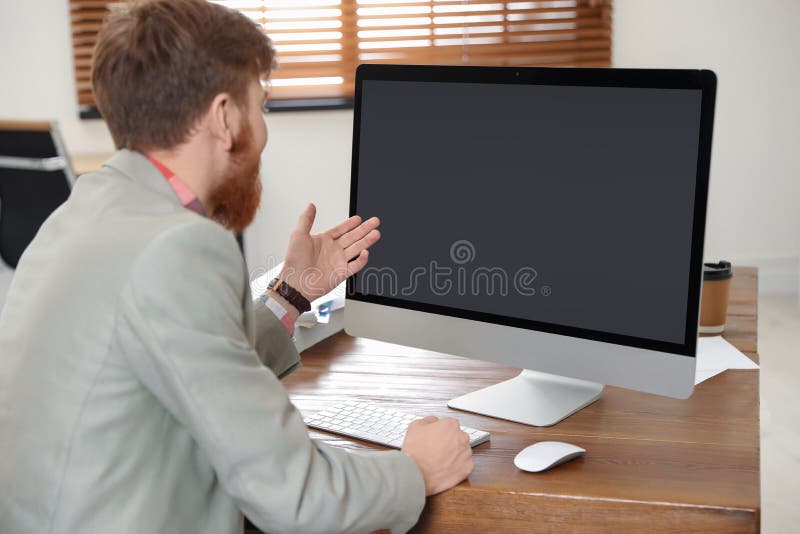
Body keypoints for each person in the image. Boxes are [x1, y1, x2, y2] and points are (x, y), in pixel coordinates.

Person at [0, 1, 474, 532]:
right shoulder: (178, 247)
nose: (263, 130)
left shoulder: (76, 217)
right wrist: (414, 470)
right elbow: (294, 495)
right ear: (225, 118)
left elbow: (190, 366)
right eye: (261, 105)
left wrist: (292, 292)